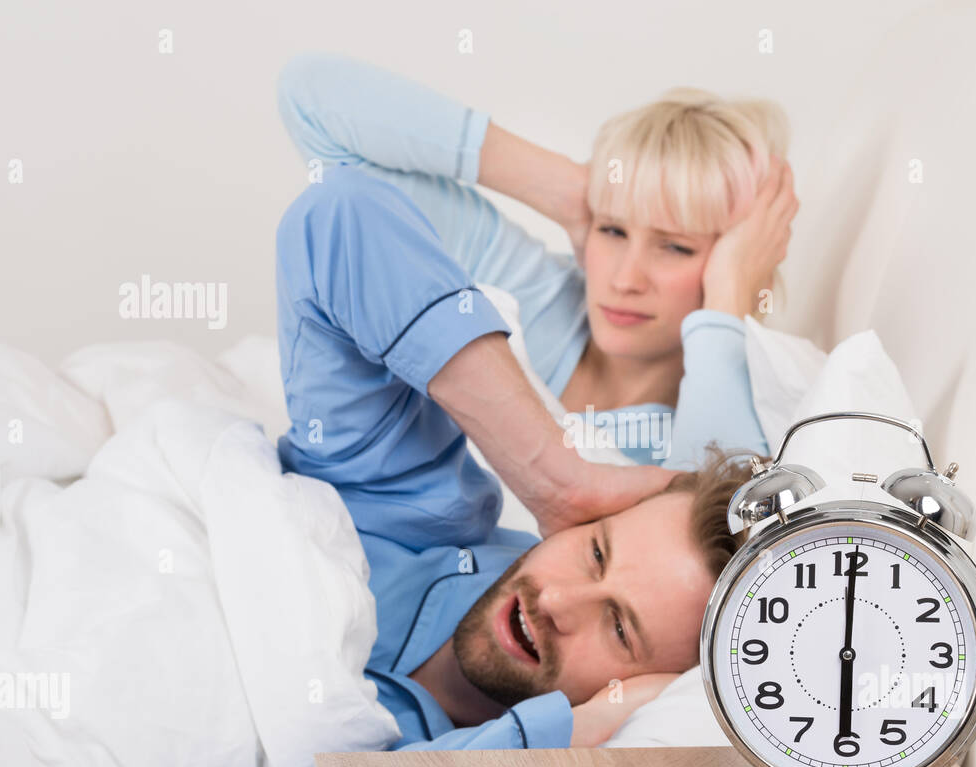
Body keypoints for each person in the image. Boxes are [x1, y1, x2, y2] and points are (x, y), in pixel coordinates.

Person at [222, 162, 758, 767]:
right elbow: (339, 214)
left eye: (620, 626)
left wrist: (563, 733)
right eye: (596, 551)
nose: (560, 600)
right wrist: (550, 471)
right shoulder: (414, 503)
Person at [274, 51, 797, 468]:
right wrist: (567, 191)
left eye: (675, 246)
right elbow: (310, 99)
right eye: (613, 230)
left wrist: (728, 305)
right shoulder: (542, 300)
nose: (624, 278)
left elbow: (716, 532)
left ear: (742, 259)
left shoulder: (733, 408)